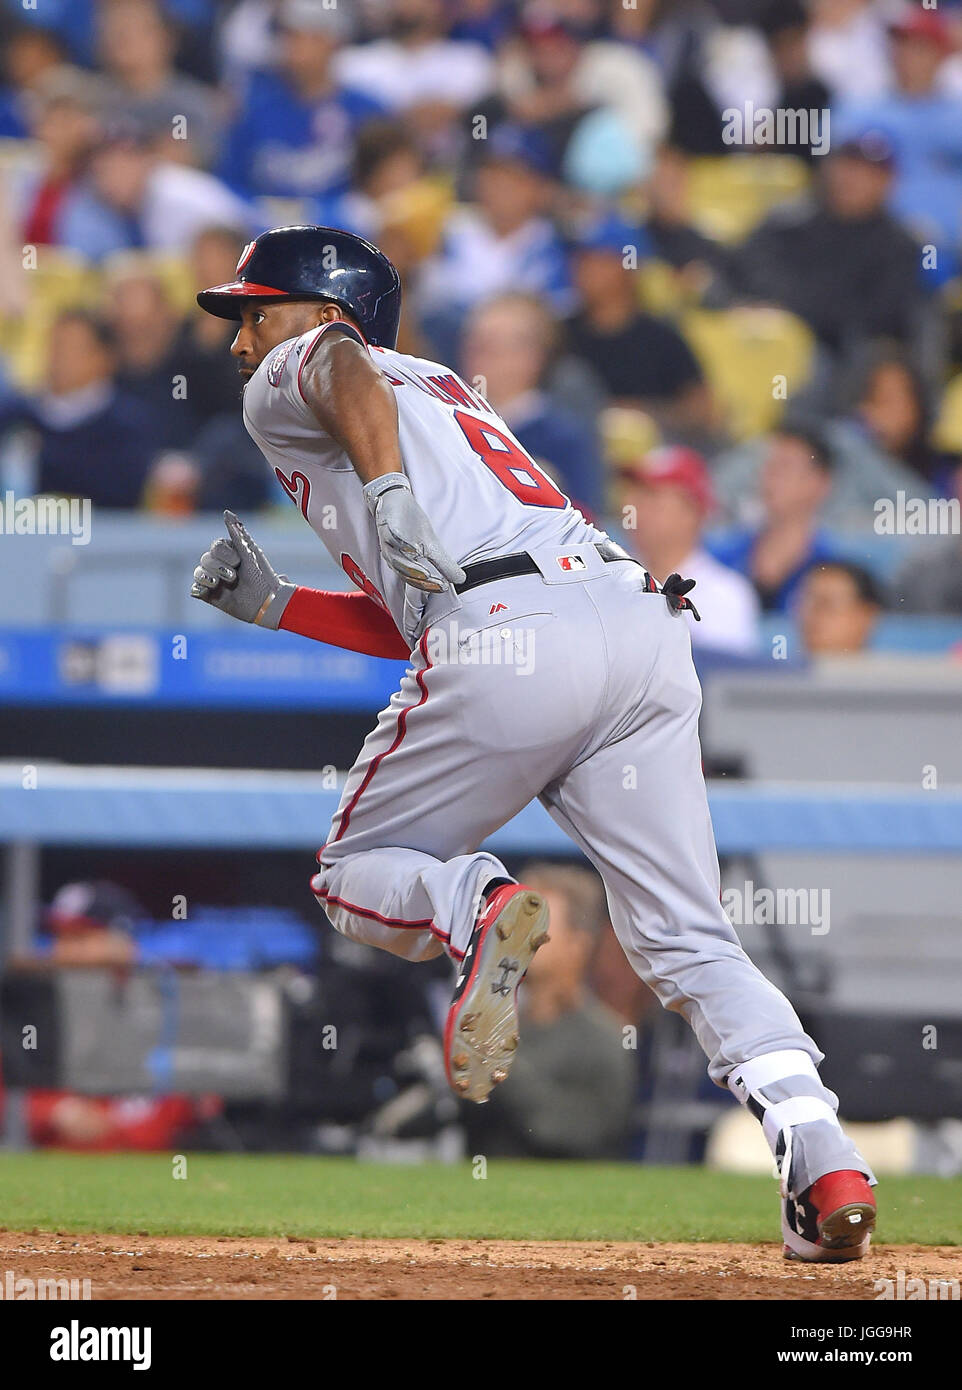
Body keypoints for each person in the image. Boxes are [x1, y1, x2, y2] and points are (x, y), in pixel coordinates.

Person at [189, 223, 877, 1262]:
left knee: (350, 873)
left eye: (255, 310)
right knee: (687, 938)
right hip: (633, 624)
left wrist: (382, 493)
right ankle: (820, 1150)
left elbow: (329, 363)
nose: (241, 339)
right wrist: (283, 603)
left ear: (323, 309)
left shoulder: (315, 367)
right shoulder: (441, 390)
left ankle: (477, 904)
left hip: (511, 633)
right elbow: (417, 602)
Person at [461, 861, 636, 1159]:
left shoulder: (606, 1041)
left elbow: (574, 1133)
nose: (518, 936)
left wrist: (498, 1064)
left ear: (577, 945)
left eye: (538, 923)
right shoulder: (495, 1024)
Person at [732, 131, 927, 360]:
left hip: (844, 358)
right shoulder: (785, 224)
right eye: (846, 167)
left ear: (887, 182)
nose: (851, 178)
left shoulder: (901, 246)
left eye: (866, 172)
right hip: (769, 340)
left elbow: (880, 318)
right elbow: (744, 273)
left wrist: (801, 313)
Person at [218, 0, 384, 203]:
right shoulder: (255, 110)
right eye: (288, 37)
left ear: (334, 43)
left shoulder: (367, 111)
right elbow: (229, 181)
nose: (294, 47)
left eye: (307, 37)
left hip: (342, 230)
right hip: (265, 226)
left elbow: (385, 187)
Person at [564, 213, 711, 437]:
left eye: (599, 262)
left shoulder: (661, 338)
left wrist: (642, 414)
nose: (585, 271)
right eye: (581, 260)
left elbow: (704, 410)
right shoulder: (560, 333)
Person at [460, 292, 603, 515]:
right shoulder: (449, 422)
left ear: (532, 357)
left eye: (492, 347)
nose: (477, 357)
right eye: (474, 344)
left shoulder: (563, 438)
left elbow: (585, 518)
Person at [0, 308, 159, 507]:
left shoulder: (128, 423)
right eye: (55, 345)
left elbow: (120, 492)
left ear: (103, 358)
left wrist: (44, 458)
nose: (58, 357)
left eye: (72, 348)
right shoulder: (16, 414)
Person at [617, 445, 760, 657]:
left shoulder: (726, 595)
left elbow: (720, 683)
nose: (635, 507)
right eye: (635, 495)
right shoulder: (606, 577)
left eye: (652, 497)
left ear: (693, 513)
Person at [710, 425, 841, 613]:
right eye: (768, 466)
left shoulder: (830, 566)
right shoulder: (723, 555)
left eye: (784, 467)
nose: (769, 477)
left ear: (819, 482)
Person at [796, 561, 885, 657]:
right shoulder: (782, 668)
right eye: (809, 601)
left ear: (866, 615)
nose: (815, 612)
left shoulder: (893, 669)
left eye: (828, 603)